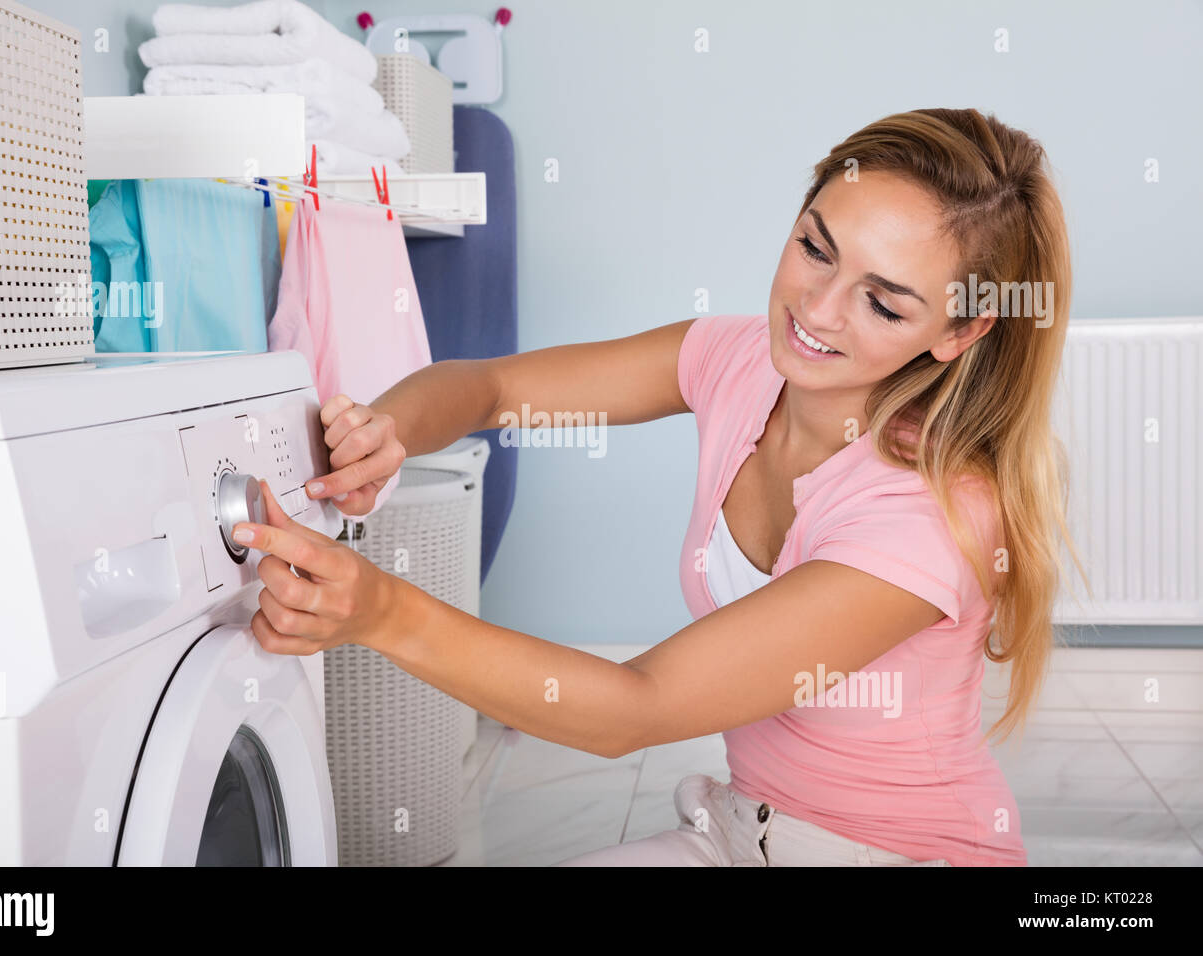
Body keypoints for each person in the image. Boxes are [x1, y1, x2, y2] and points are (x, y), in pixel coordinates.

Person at [229, 107, 1087, 867]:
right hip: (737, 829)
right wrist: (388, 430)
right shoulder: (739, 360)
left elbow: (630, 710)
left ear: (962, 329)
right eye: (814, 247)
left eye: (884, 304)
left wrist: (378, 611)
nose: (818, 311)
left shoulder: (927, 516)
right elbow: (491, 388)